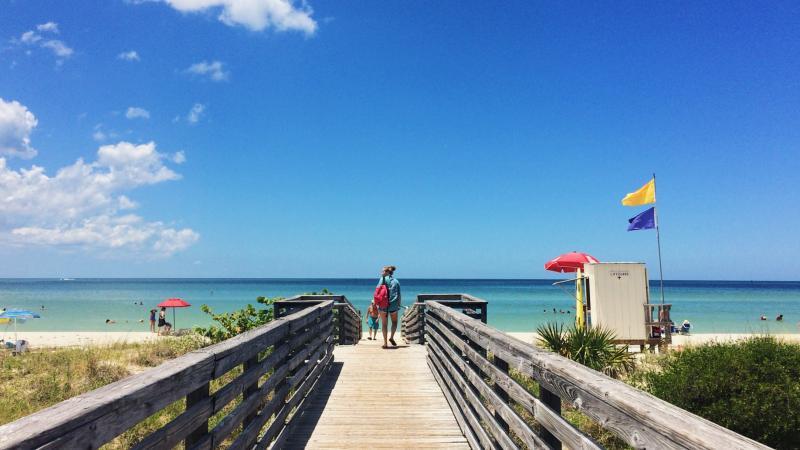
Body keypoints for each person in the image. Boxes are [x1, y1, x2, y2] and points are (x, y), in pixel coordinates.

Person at [377, 265, 401, 349]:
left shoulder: (382, 280)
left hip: (383, 305)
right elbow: (399, 295)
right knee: (394, 322)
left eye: (383, 271)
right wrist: (398, 304)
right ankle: (391, 337)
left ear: (387, 272)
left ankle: (385, 343)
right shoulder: (396, 281)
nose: (381, 272)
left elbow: (377, 291)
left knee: (384, 324)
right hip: (393, 305)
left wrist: (377, 303)